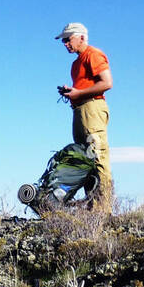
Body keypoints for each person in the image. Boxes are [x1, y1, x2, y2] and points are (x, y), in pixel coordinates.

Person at [55, 22, 113, 210]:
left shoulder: (93, 55)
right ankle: (92, 208)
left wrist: (78, 94)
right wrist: (73, 93)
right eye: (64, 41)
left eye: (68, 39)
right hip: (79, 111)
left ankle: (103, 209)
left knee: (96, 157)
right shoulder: (75, 63)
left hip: (92, 109)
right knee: (84, 159)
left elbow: (107, 83)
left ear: (81, 37)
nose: (65, 44)